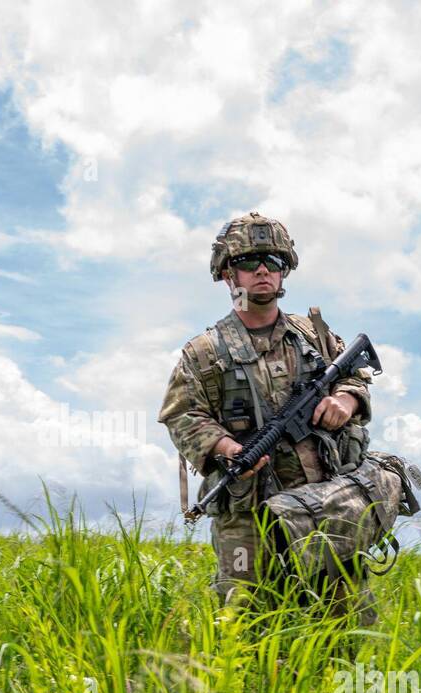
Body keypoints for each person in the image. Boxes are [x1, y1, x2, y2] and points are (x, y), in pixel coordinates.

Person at [157, 211, 378, 624]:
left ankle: (328, 686)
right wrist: (226, 446)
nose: (262, 271)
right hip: (249, 511)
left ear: (284, 272)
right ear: (228, 276)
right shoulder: (204, 352)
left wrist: (345, 400)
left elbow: (356, 377)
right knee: (246, 619)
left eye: (272, 263)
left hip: (324, 498)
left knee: (338, 618)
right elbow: (182, 415)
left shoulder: (314, 335)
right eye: (248, 262)